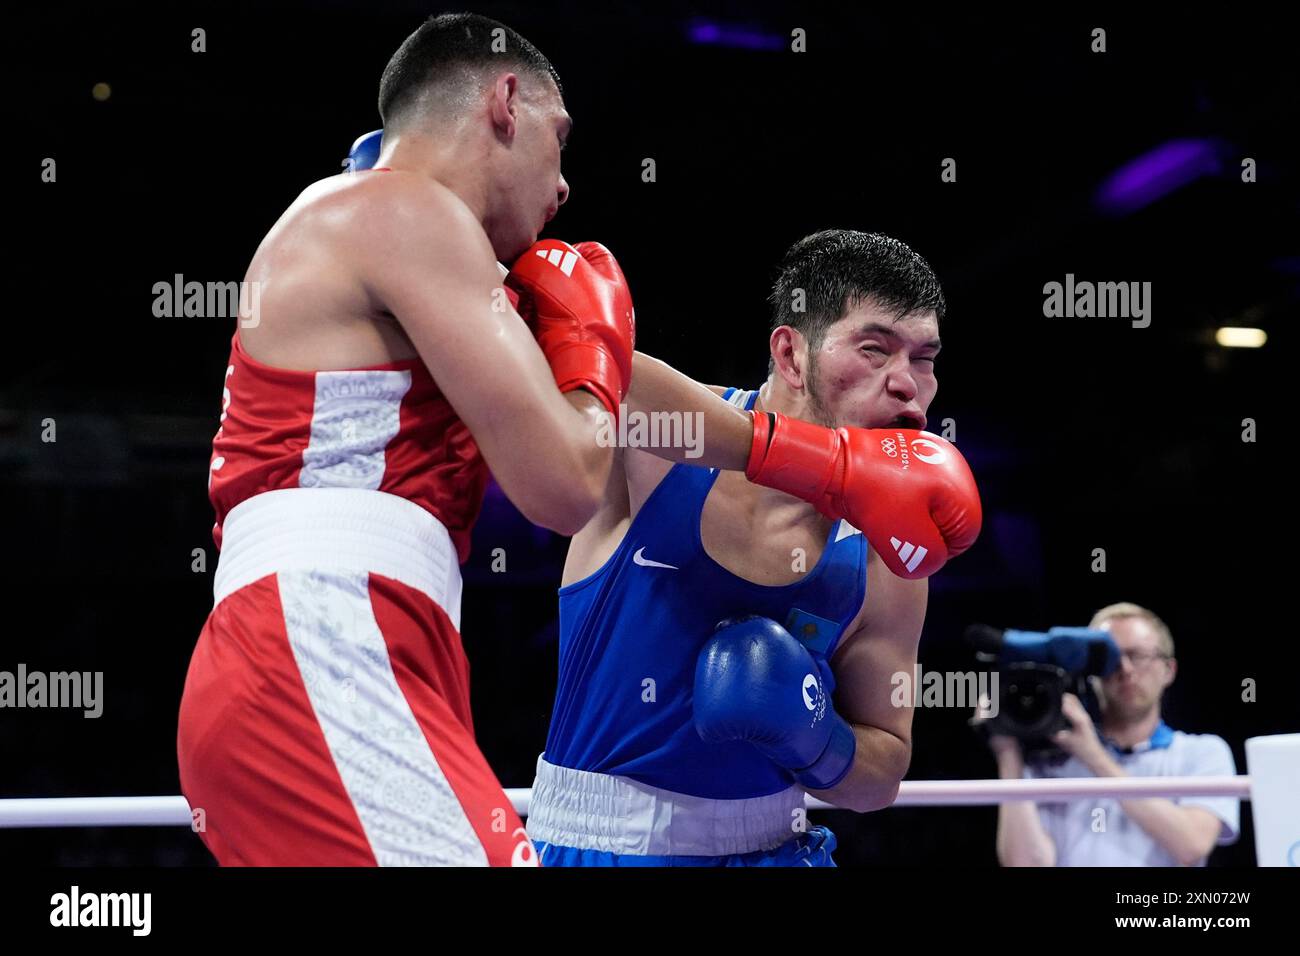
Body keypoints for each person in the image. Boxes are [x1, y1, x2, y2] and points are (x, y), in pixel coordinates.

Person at [176, 12, 635, 866]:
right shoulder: (404, 212)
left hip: (337, 652)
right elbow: (569, 486)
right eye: (558, 138)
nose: (564, 183)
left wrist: (812, 459)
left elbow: (648, 398)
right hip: (322, 645)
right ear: (505, 100)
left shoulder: (398, 240)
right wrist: (594, 348)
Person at [527, 229, 983, 865]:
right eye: (874, 350)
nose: (907, 383)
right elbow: (586, 369)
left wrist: (815, 737)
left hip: (777, 848)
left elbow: (883, 772)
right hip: (596, 843)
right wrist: (818, 462)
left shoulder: (890, 552)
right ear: (791, 357)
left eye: (924, 359)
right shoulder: (665, 449)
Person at [991, 602, 1240, 866]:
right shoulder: (1052, 759)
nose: (1125, 669)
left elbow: (1191, 845)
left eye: (1138, 655)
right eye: (1108, 658)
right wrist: (1008, 754)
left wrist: (1094, 757)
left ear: (1168, 670)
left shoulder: (1202, 752)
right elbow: (1025, 864)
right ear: (1089, 671)